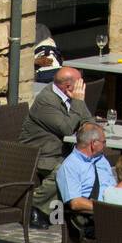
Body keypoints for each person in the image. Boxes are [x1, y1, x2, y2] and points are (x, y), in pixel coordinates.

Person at [20, 66, 90, 228]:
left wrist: (88, 125)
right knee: (66, 169)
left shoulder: (69, 96)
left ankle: (67, 211)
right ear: (67, 86)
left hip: (60, 152)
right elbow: (66, 128)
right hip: (40, 154)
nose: (82, 87)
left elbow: (87, 118)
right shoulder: (46, 101)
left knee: (89, 163)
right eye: (80, 83)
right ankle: (34, 206)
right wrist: (78, 102)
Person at [55, 121, 116, 238]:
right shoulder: (70, 166)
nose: (106, 145)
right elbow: (76, 203)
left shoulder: (101, 159)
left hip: (114, 210)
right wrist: (108, 209)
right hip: (91, 219)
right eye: (104, 142)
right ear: (94, 144)